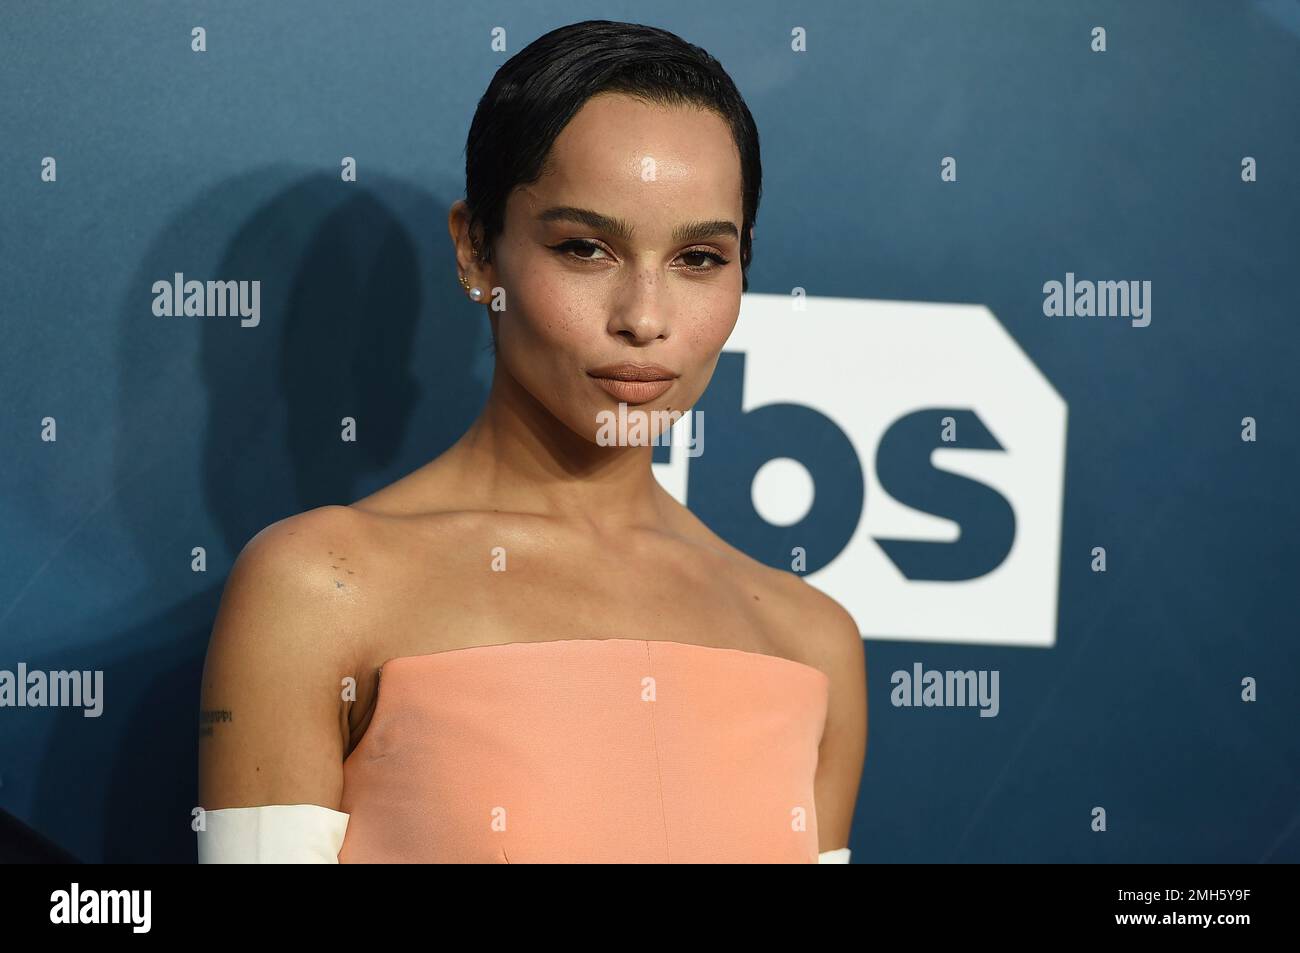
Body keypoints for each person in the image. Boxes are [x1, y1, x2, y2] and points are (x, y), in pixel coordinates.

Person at [197, 18, 865, 863]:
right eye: (585, 248)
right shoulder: (319, 589)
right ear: (478, 250)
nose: (646, 319)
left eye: (698, 258)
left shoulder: (813, 643)